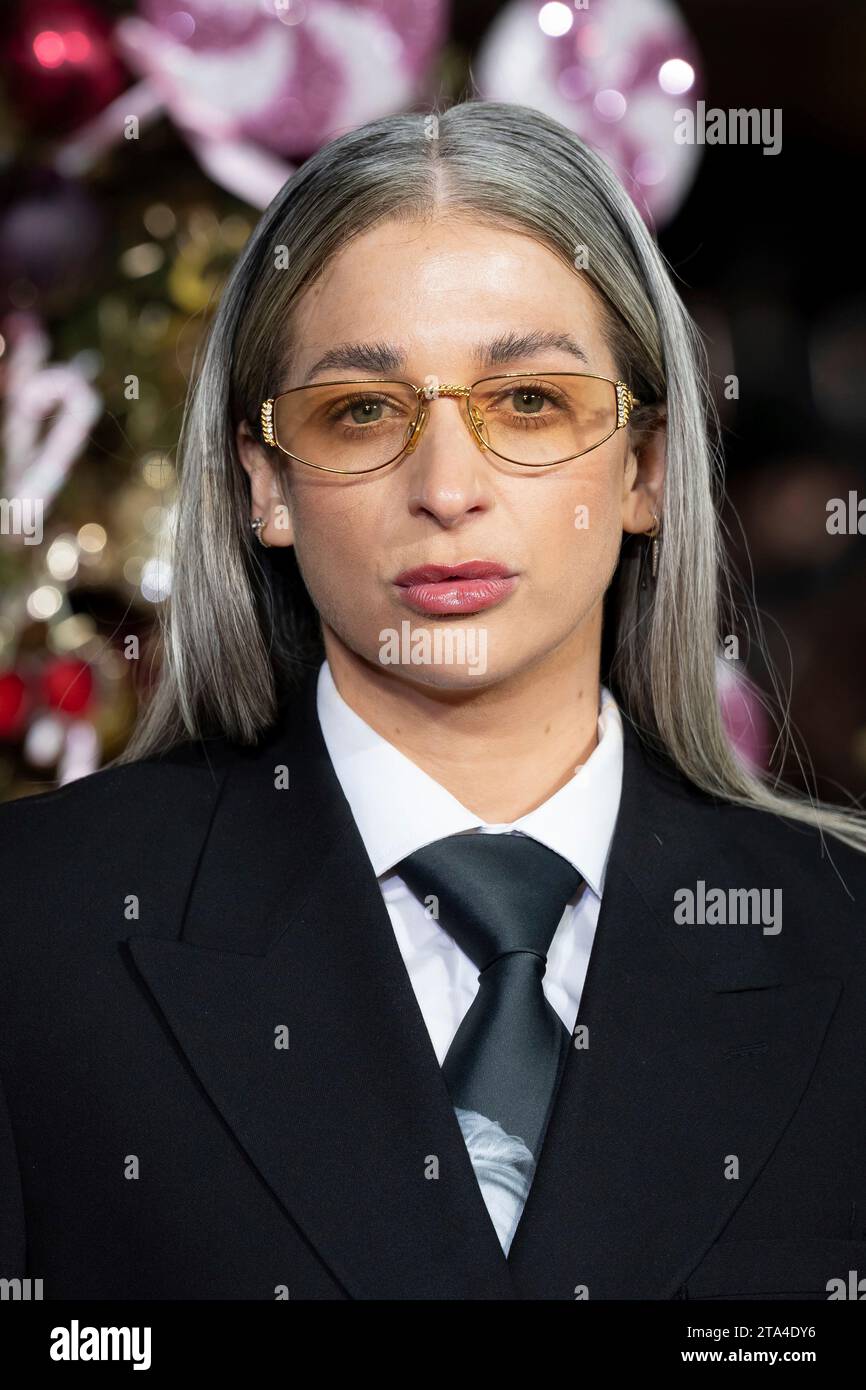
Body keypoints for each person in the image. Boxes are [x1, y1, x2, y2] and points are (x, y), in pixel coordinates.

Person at [2, 100, 865, 1302]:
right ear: (266, 486)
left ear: (644, 469)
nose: (447, 486)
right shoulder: (33, 933)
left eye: (528, 404)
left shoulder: (841, 939)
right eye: (362, 411)